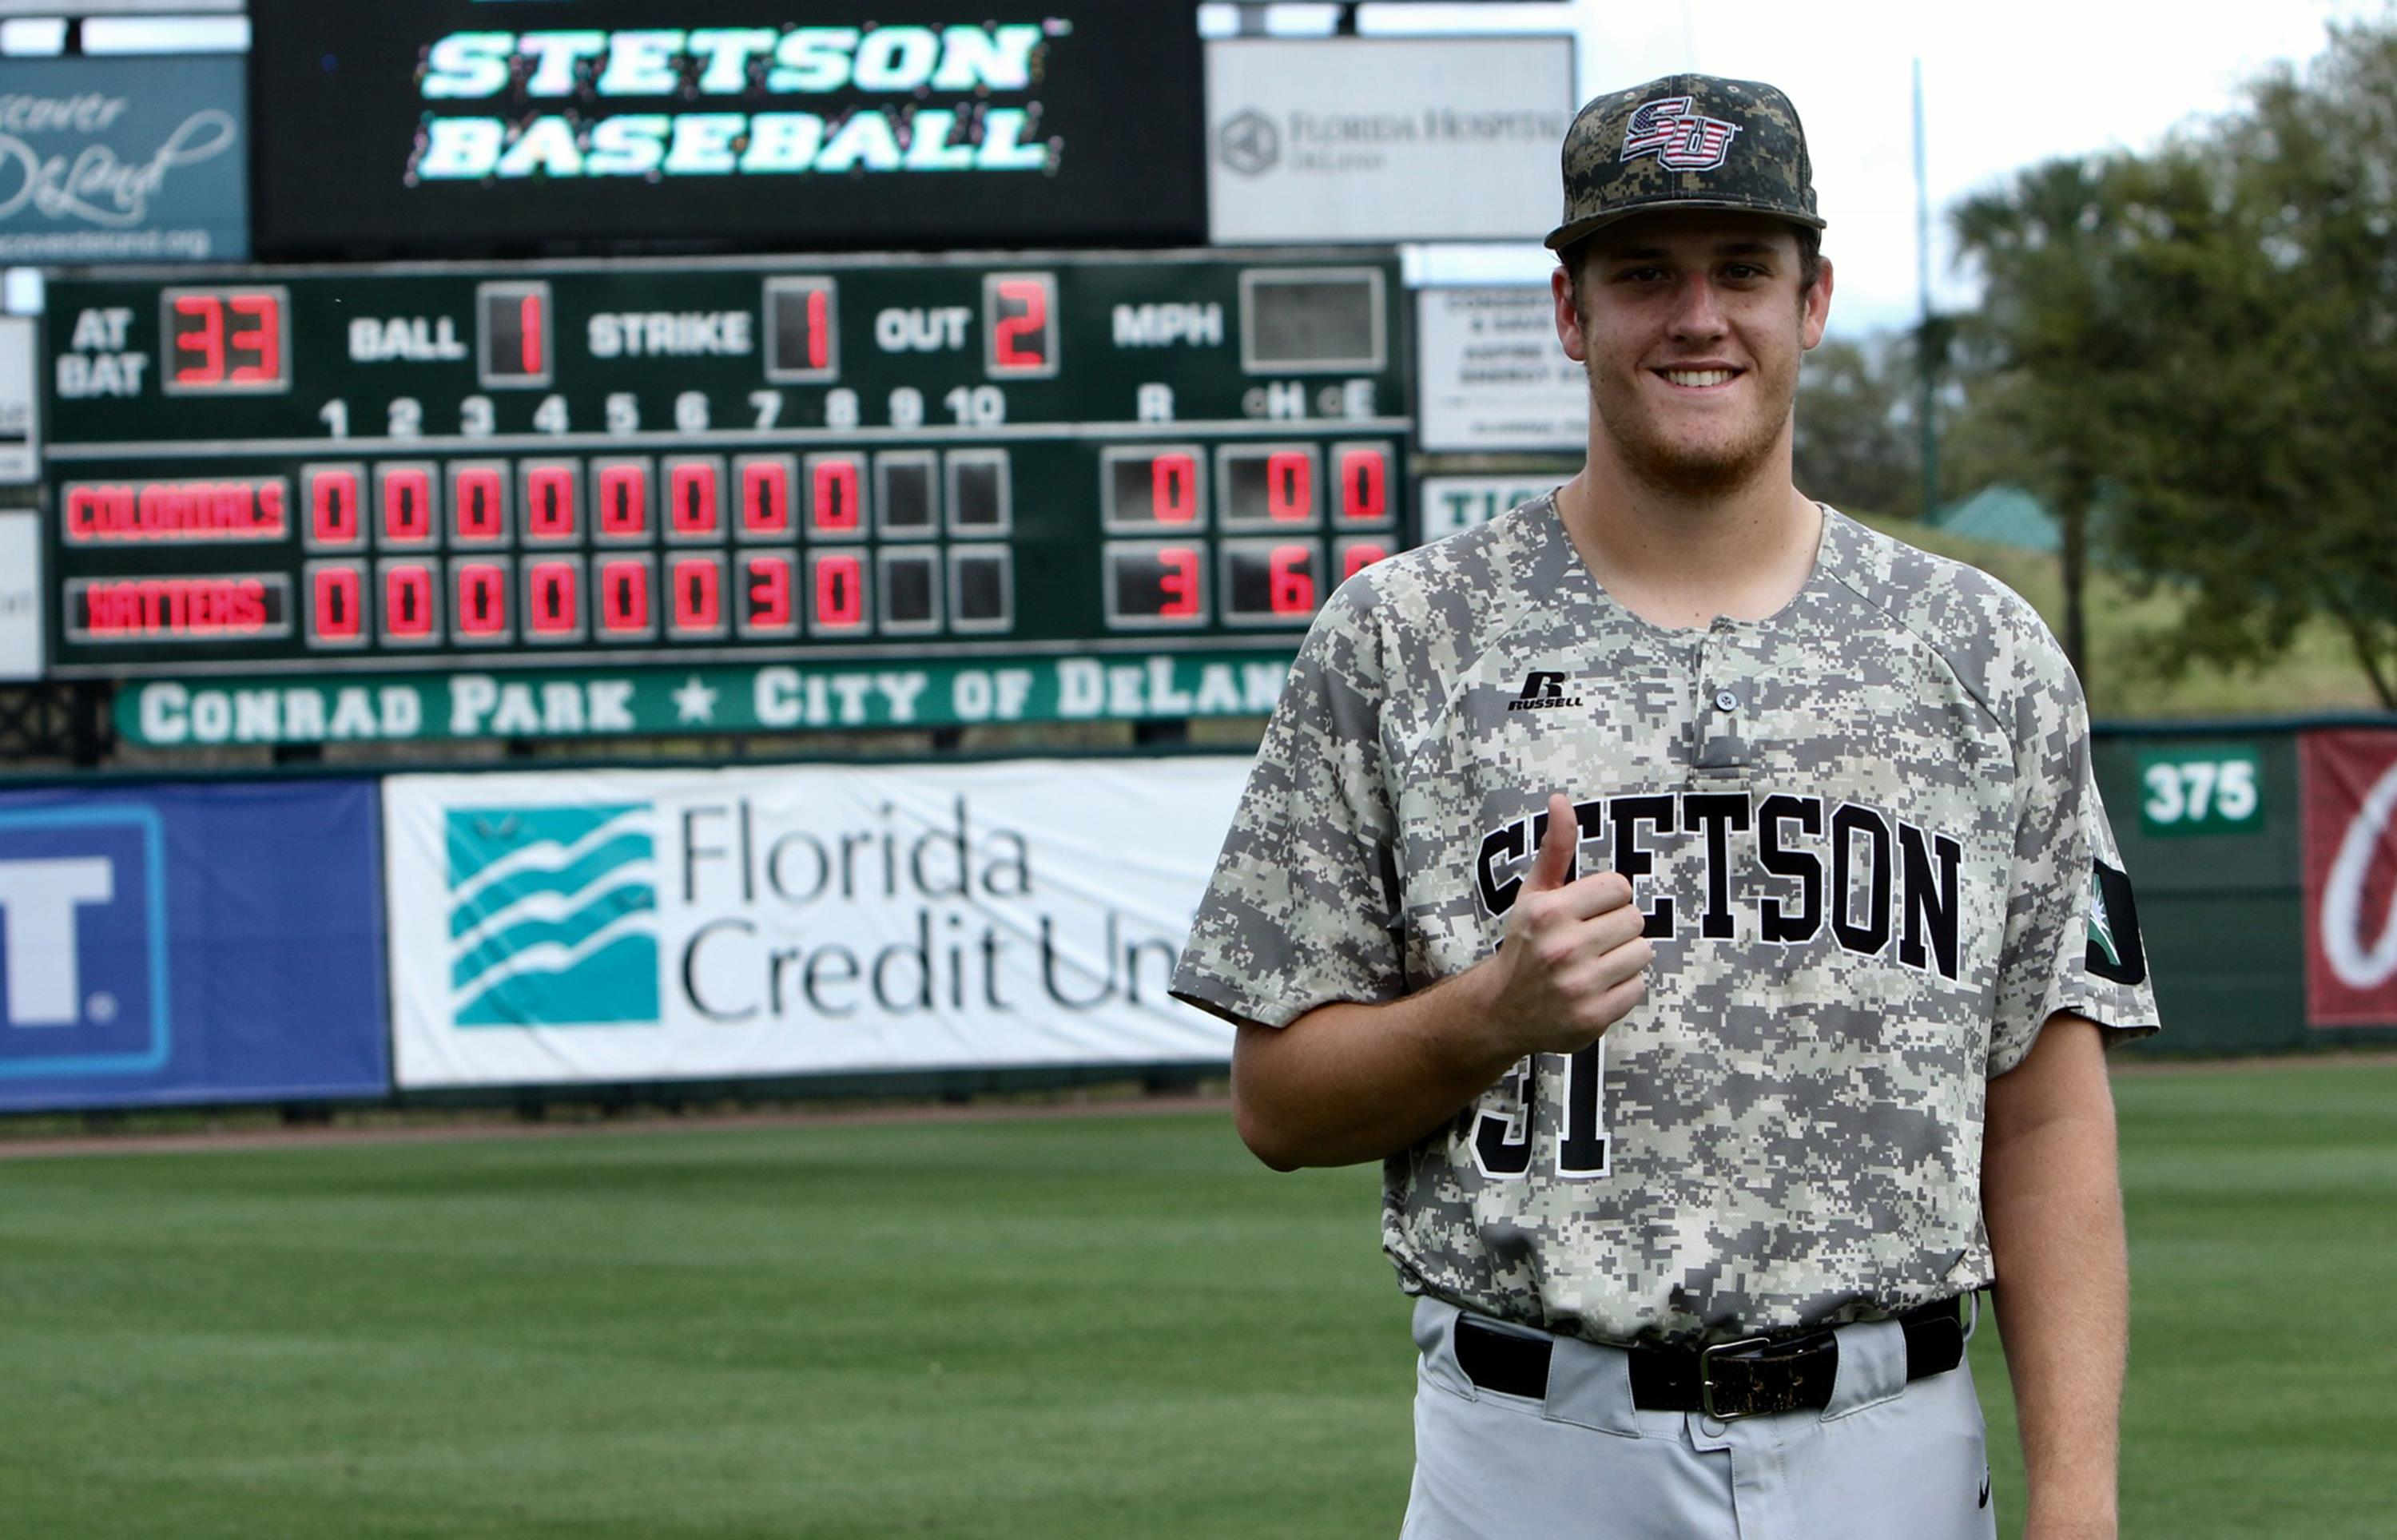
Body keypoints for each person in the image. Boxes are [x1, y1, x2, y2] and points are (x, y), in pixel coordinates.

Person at [1170, 73, 2159, 1540]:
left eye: (1743, 270)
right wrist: (1485, 1015)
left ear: (1812, 300)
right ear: (1571, 312)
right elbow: (1276, 1106)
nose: (1699, 317)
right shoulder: (1406, 637)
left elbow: (2048, 1115)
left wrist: (2076, 1507)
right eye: (1645, 273)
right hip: (1530, 1446)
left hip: (1886, 1442)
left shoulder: (1982, 651)